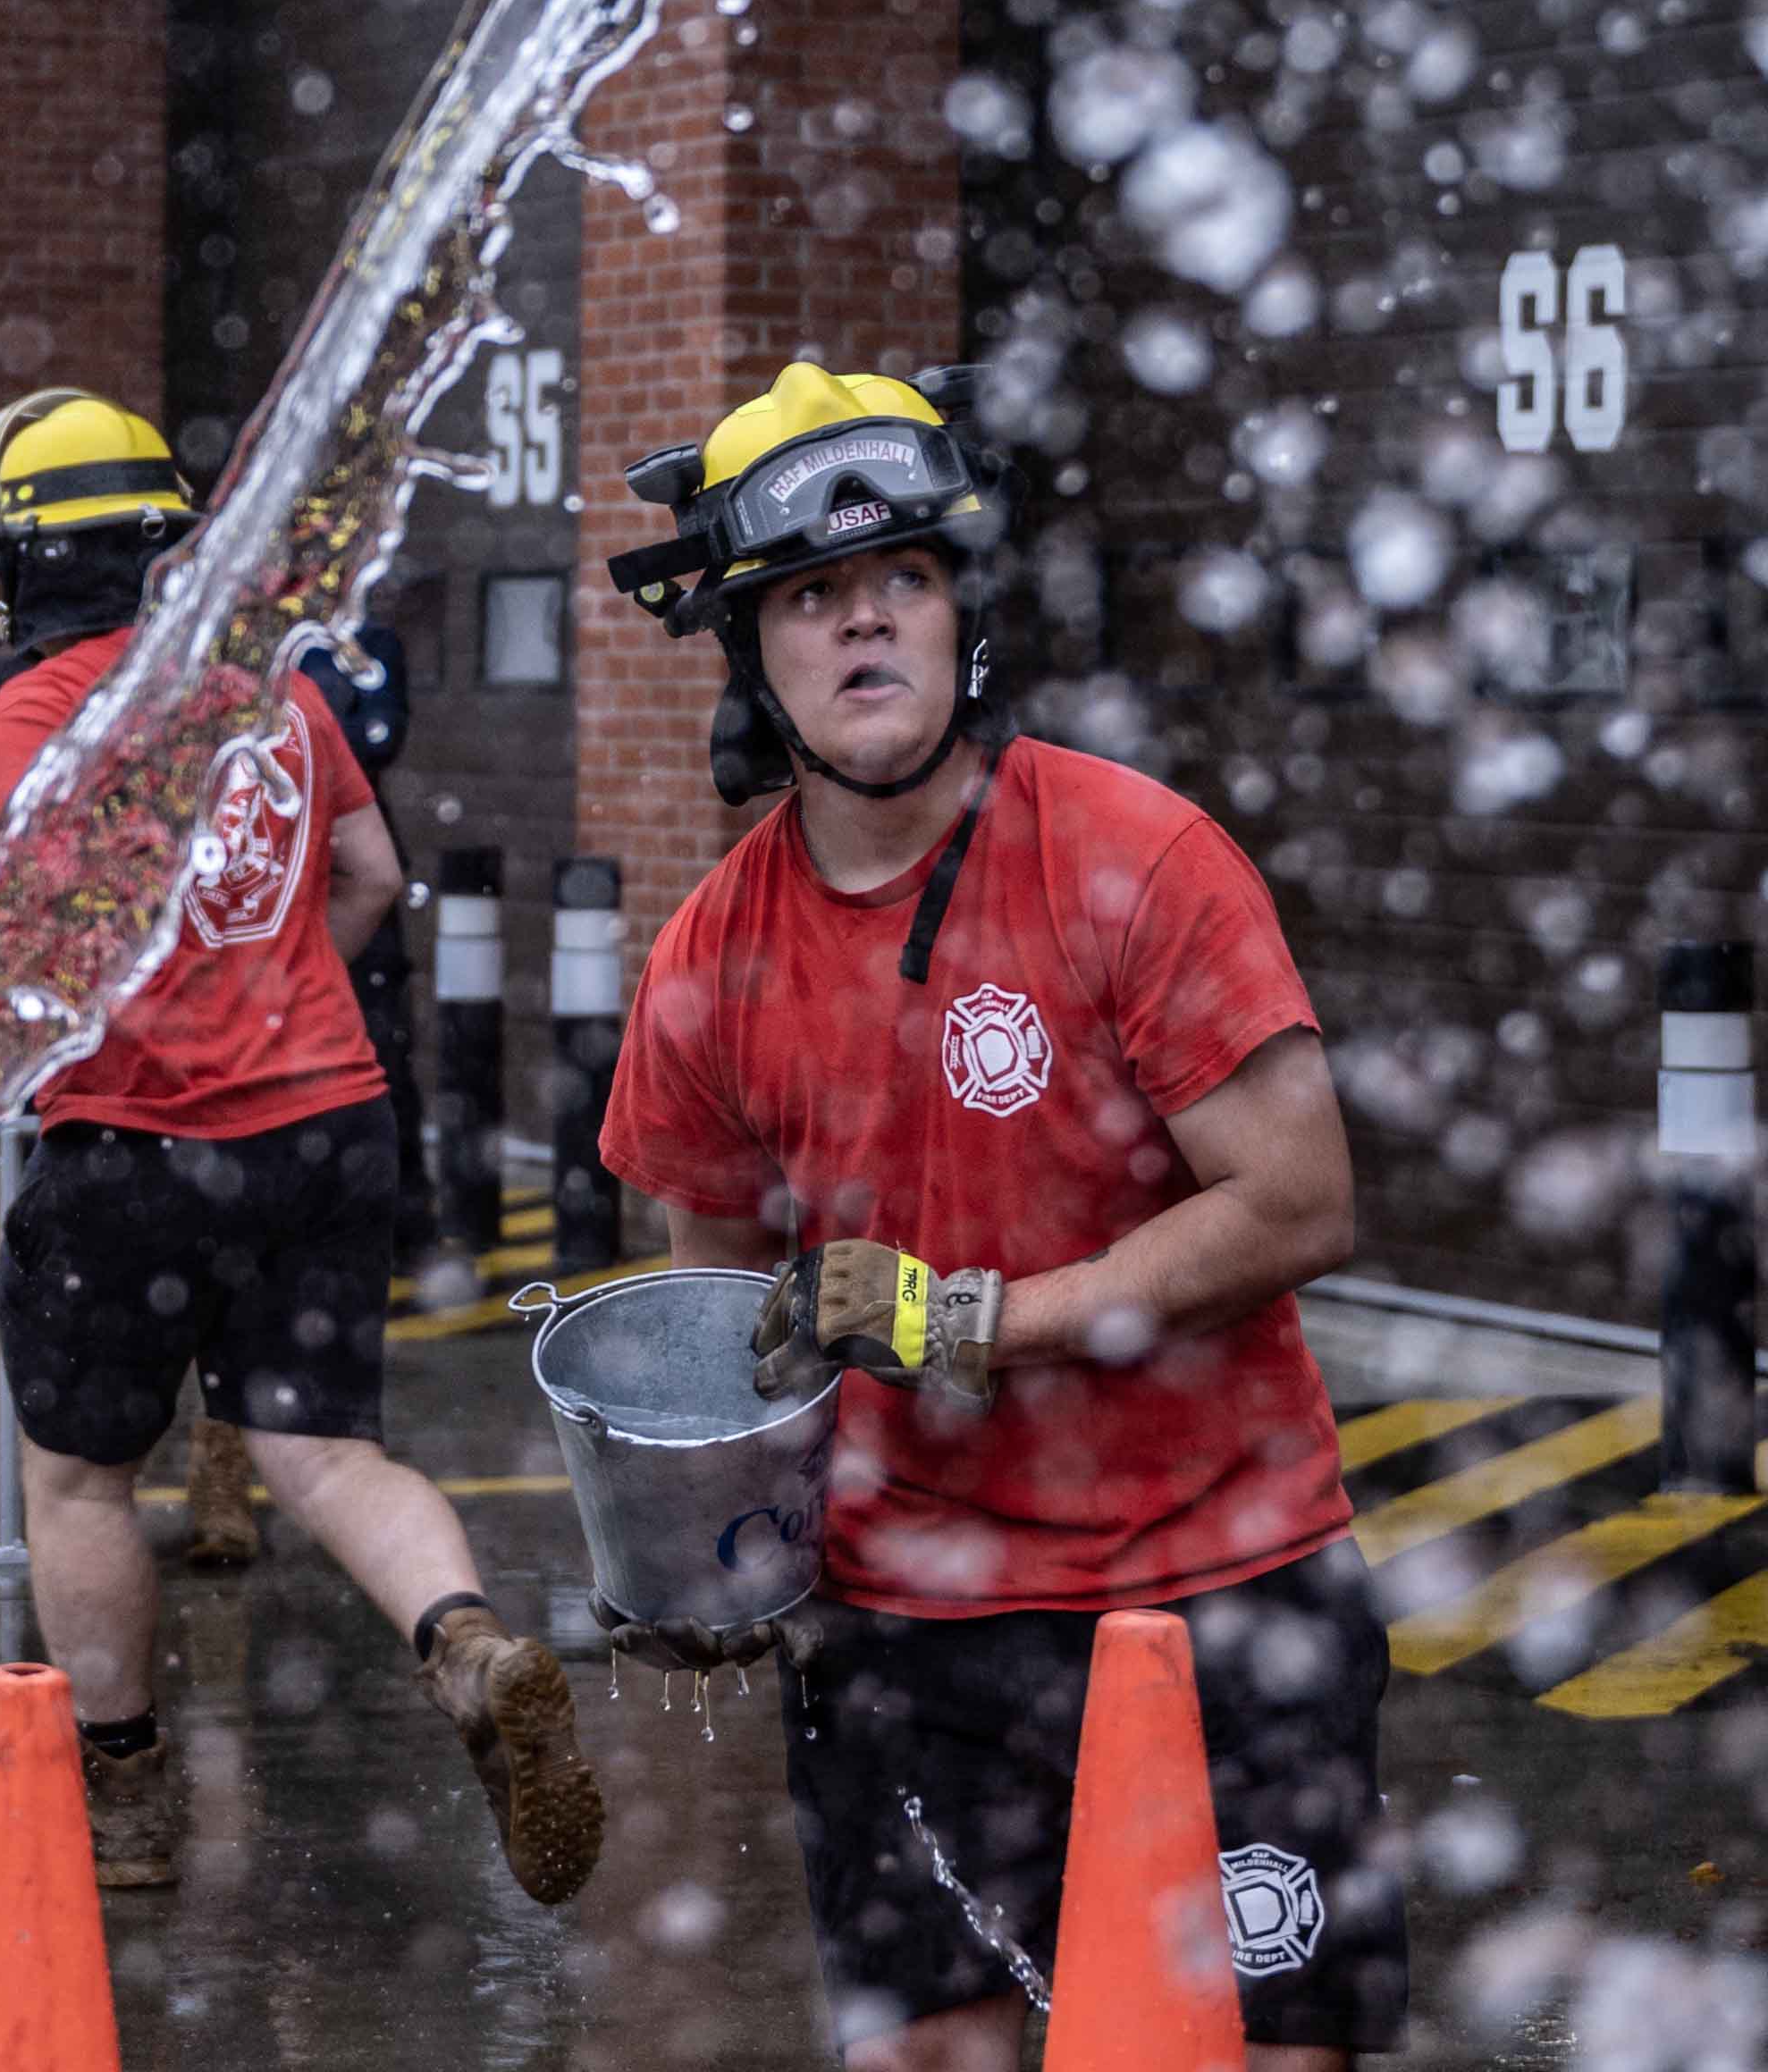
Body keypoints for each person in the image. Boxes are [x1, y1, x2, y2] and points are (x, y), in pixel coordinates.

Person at [593, 364, 1401, 2072]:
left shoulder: (1138, 858)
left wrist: (976, 1319)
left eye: (903, 578)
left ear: (966, 609)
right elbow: (719, 1323)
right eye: (813, 597)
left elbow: (1300, 1198)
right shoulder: (708, 960)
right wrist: (699, 1542)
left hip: (1215, 1593)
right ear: (753, 654)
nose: (864, 625)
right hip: (908, 1631)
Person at [0, 387, 603, 1908]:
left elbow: (19, 938)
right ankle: (468, 1644)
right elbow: (371, 873)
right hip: (323, 1124)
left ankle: (132, 1797)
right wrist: (271, 986)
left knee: (86, 1482)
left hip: (130, 1153)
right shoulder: (273, 693)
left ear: (29, 559)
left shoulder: (39, 710)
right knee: (323, 1452)